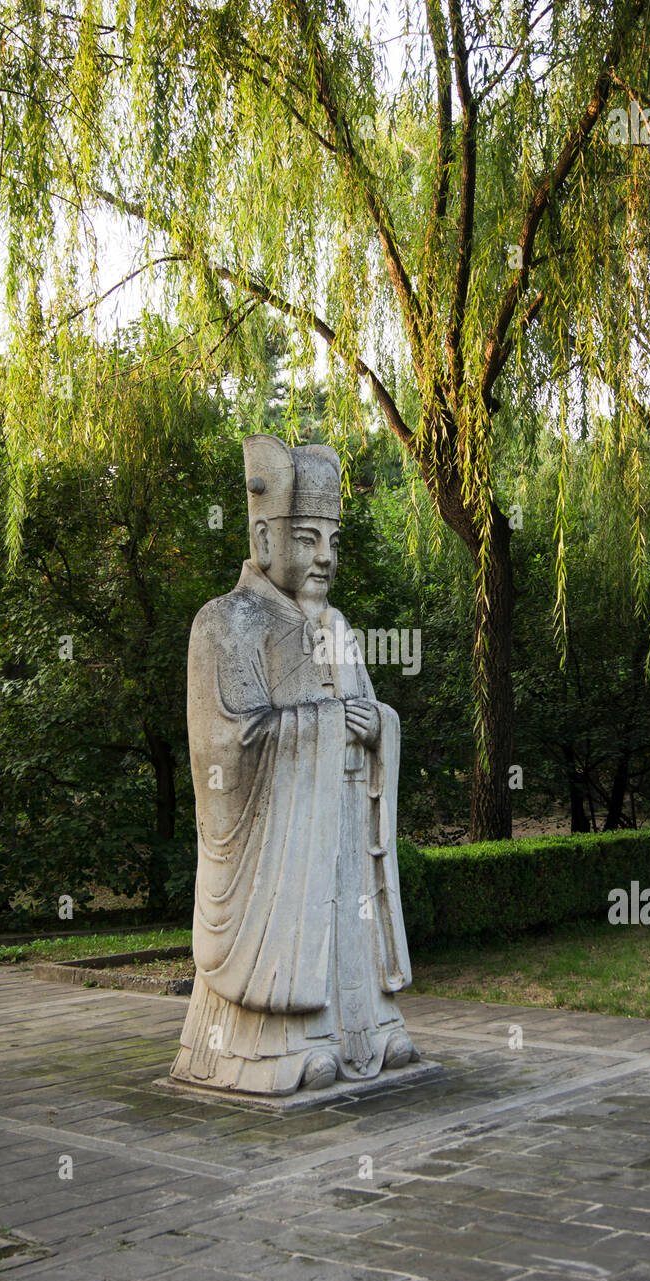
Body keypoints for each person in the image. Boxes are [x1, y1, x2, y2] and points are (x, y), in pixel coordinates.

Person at [170, 433, 416, 1094]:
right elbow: (227, 744)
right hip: (277, 846)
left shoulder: (337, 627)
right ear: (264, 536)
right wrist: (331, 725)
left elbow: (369, 711)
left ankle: (365, 1027)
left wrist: (375, 726)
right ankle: (281, 1043)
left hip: (335, 820)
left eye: (333, 540)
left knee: (349, 915)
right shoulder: (225, 623)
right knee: (304, 916)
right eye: (307, 539)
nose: (325, 557)